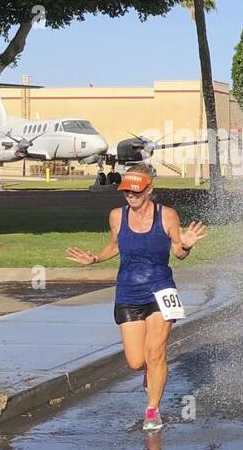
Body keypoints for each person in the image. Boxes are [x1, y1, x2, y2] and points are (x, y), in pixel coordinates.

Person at [65, 163, 207, 432]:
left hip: (161, 290)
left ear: (149, 190)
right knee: (136, 361)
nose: (130, 197)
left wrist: (186, 243)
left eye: (136, 193)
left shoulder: (167, 216)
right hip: (128, 291)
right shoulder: (117, 216)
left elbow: (179, 252)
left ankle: (152, 411)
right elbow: (114, 246)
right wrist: (94, 258)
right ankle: (150, 374)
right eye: (126, 192)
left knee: (155, 353)